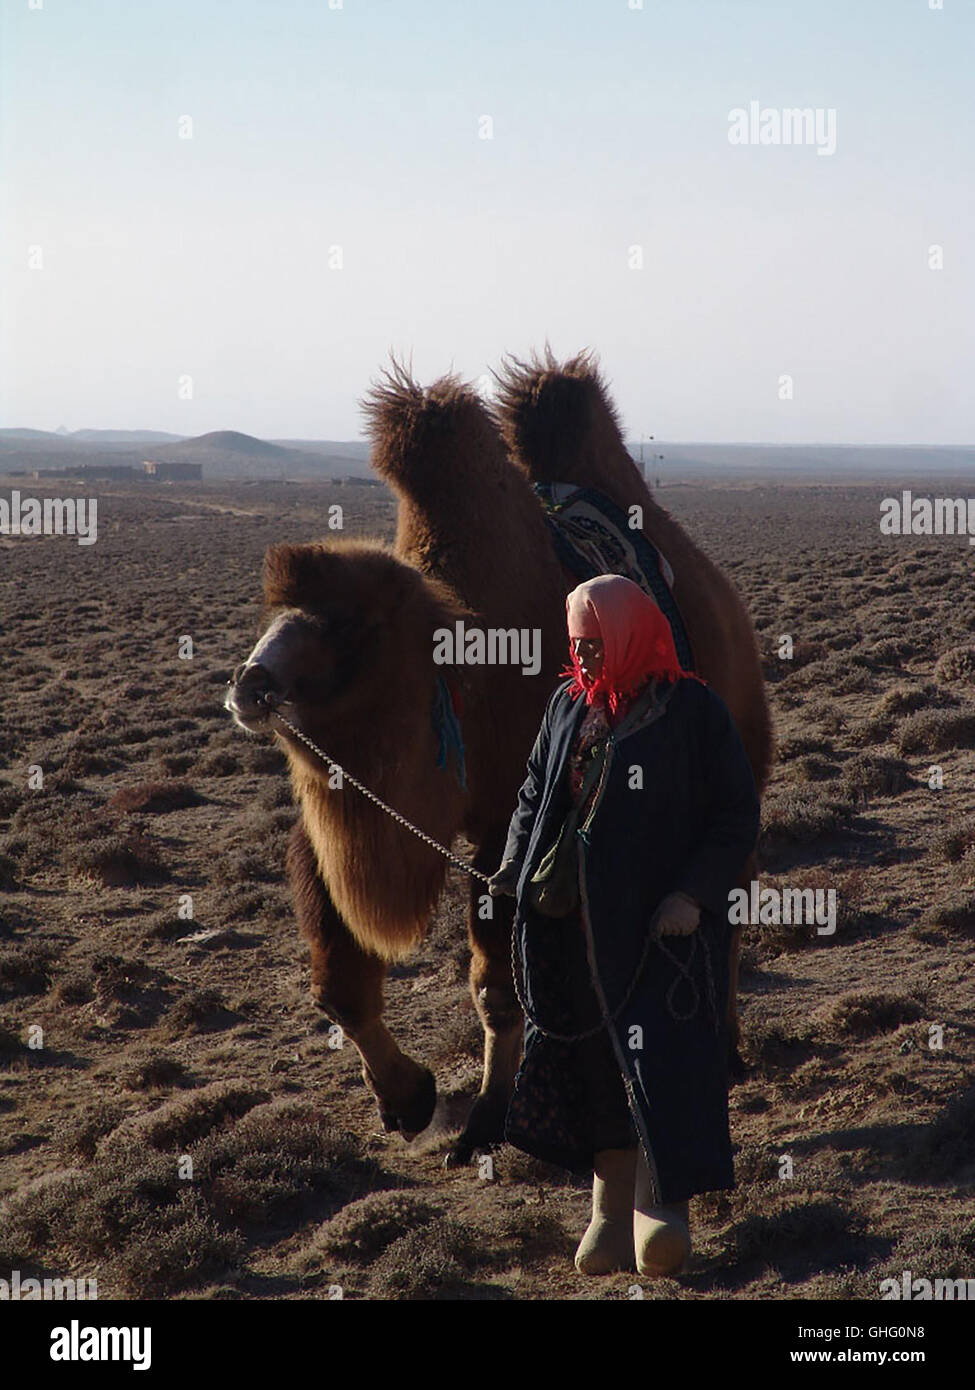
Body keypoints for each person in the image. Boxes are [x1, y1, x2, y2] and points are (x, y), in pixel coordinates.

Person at [489, 573, 760, 1277]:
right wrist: (515, 868)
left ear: (631, 635)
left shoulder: (692, 711)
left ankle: (661, 1205)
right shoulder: (563, 705)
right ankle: (607, 1210)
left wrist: (692, 898)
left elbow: (734, 815)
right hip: (568, 929)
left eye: (595, 644)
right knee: (590, 1062)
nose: (582, 658)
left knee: (660, 1061)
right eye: (575, 644)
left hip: (659, 934)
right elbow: (531, 794)